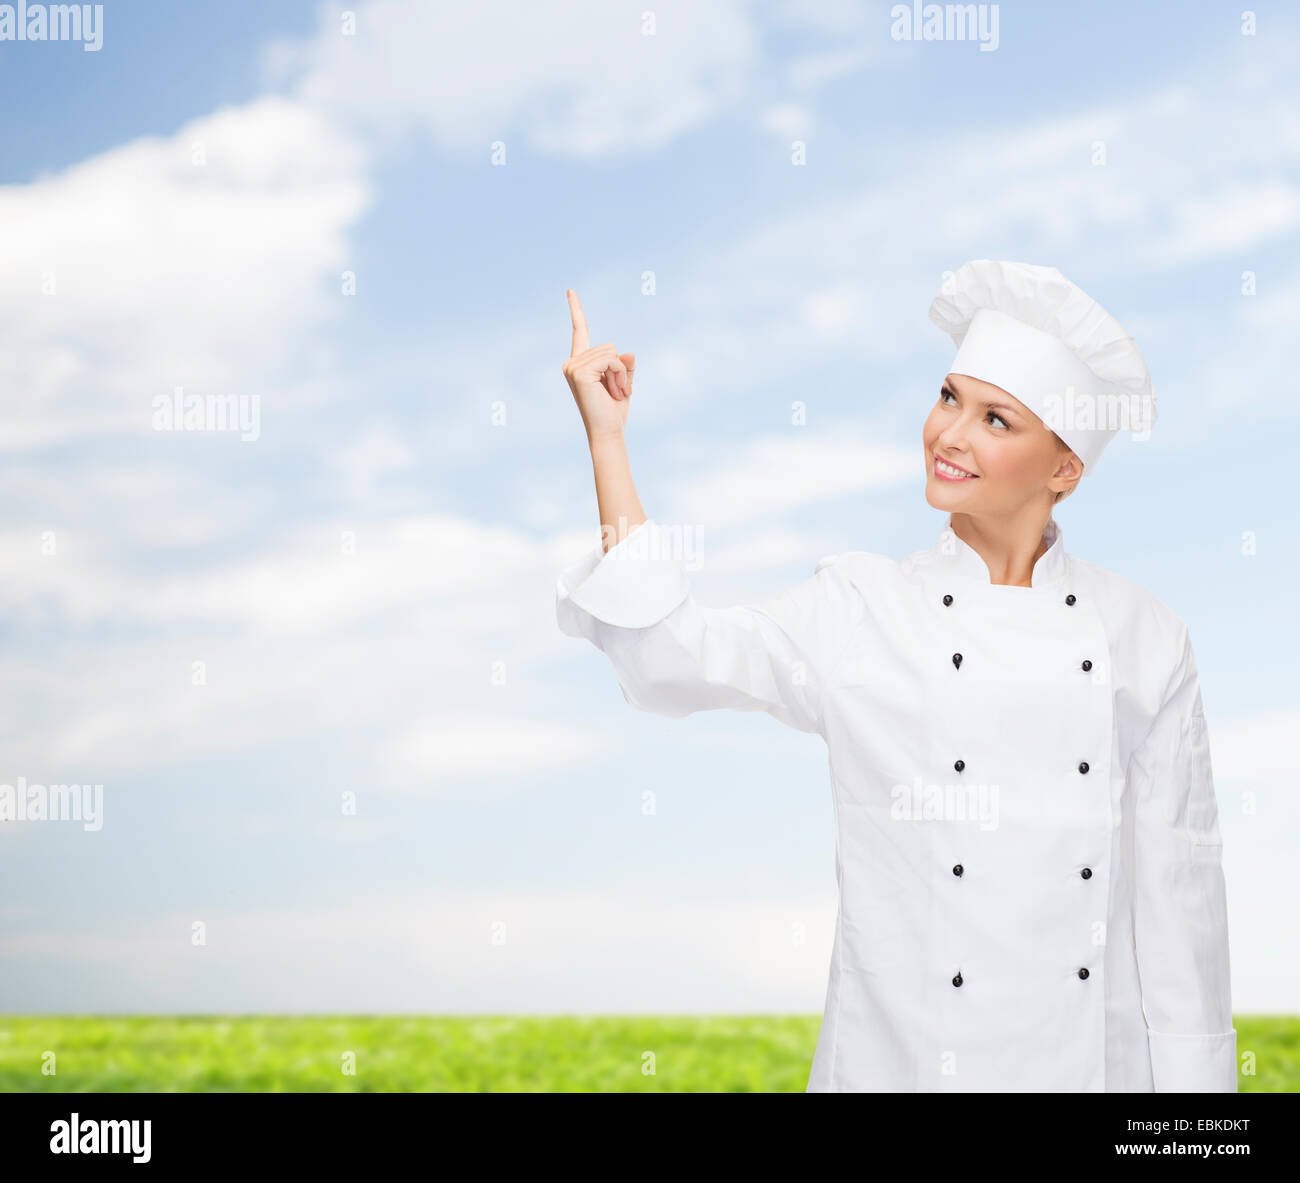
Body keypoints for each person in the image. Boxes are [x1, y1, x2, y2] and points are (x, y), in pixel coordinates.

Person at [554, 260, 1236, 1093]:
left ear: (1064, 469)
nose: (950, 435)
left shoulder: (1147, 637)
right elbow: (670, 656)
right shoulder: (861, 607)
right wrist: (609, 441)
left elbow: (1180, 907)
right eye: (948, 397)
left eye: (996, 418)